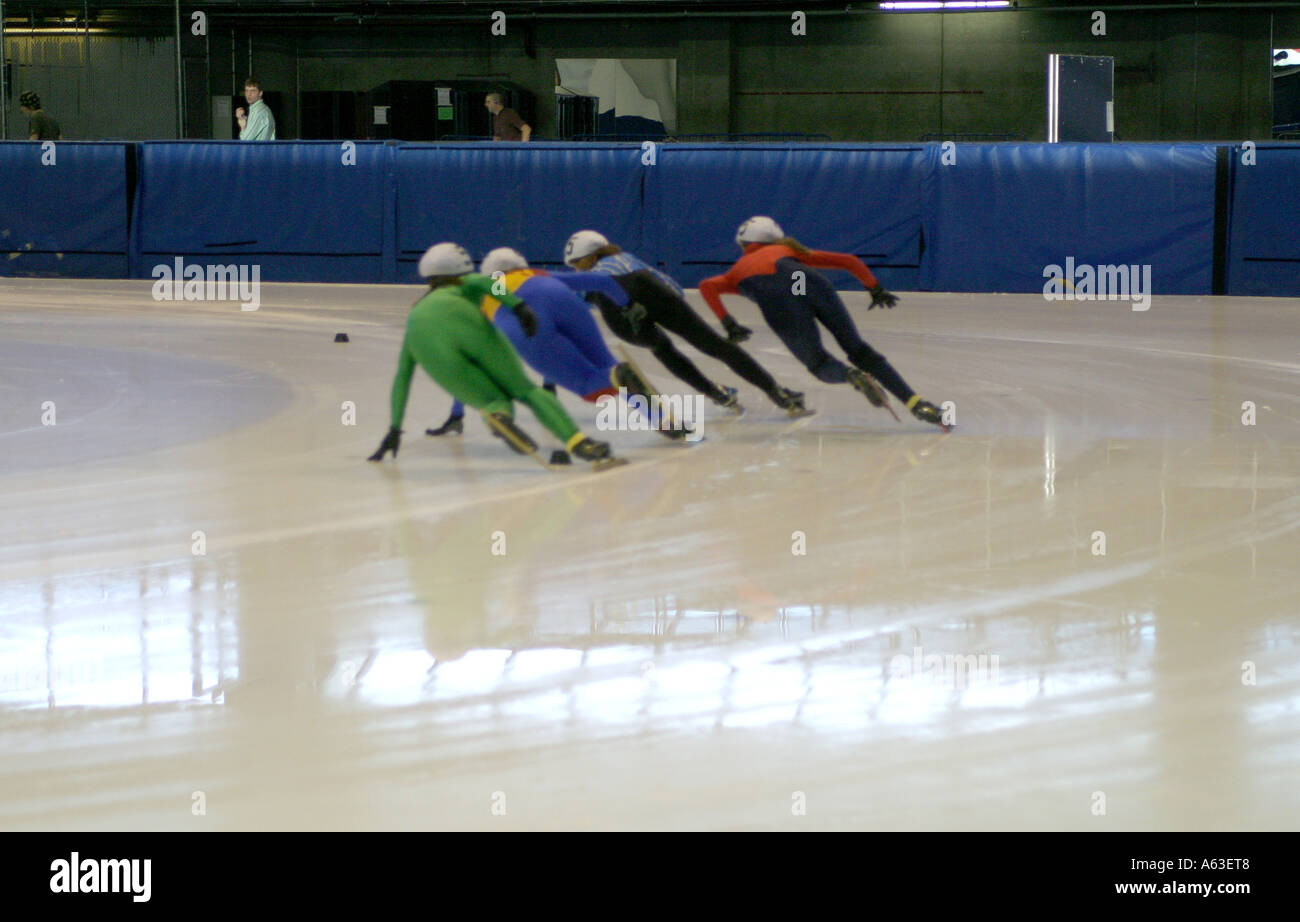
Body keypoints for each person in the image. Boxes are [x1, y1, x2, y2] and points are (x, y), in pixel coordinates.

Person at [367, 242, 618, 467]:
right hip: (470, 330)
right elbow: (488, 283)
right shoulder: (465, 284)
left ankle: (498, 417)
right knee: (527, 392)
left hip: (427, 347)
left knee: (492, 402)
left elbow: (403, 376)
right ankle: (579, 444)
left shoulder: (415, 315)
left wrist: (394, 428)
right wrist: (517, 306)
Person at [697, 216, 948, 429]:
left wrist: (728, 322)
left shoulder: (737, 271)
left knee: (818, 363)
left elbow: (707, 286)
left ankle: (850, 375)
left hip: (779, 302)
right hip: (806, 281)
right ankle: (917, 403)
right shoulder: (788, 250)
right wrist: (874, 288)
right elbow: (849, 260)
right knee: (859, 350)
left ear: (744, 244)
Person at [427, 247, 687, 441]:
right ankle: (664, 420)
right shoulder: (539, 273)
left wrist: (457, 412)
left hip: (523, 320)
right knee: (608, 368)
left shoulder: (491, 290)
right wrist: (627, 307)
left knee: (591, 384)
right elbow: (604, 282)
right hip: (561, 298)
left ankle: (619, 375)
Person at [561, 230, 809, 417]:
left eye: (577, 263)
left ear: (592, 257)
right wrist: (679, 305)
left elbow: (572, 303)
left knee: (662, 349)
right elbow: (665, 282)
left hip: (623, 314)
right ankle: (777, 393)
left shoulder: (588, 276)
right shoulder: (625, 258)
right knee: (716, 345)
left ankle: (716, 394)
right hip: (656, 294)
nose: (574, 268)